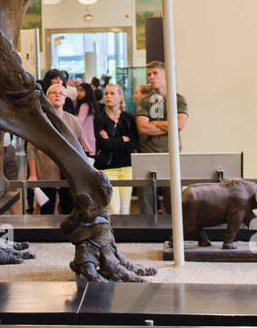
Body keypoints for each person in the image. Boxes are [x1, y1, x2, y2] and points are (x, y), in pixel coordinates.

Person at [135, 61, 187, 214]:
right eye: (149, 74)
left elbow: (179, 125)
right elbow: (143, 127)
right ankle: (147, 236)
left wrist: (155, 122)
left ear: (165, 75)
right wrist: (169, 126)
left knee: (174, 201)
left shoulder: (178, 99)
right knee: (146, 201)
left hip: (171, 154)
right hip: (148, 155)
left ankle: (174, 235)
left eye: (155, 73)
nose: (151, 77)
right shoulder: (144, 101)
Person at [27, 82, 83, 215]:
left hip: (69, 173)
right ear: (47, 98)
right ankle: (47, 235)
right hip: (45, 171)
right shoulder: (39, 121)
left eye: (61, 93)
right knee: (46, 209)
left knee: (69, 209)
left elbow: (79, 147)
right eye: (53, 93)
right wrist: (33, 174)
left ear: (65, 99)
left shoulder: (73, 121)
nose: (57, 96)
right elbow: (31, 149)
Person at [94, 83, 139, 214]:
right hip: (108, 167)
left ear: (120, 97)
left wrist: (111, 141)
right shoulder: (99, 118)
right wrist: (122, 140)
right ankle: (112, 235)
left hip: (126, 166)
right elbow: (102, 144)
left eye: (112, 93)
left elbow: (135, 143)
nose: (108, 96)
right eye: (106, 93)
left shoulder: (128, 118)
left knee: (125, 209)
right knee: (113, 208)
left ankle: (125, 235)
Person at [73, 82, 98, 158]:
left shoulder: (85, 106)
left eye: (82, 90)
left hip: (85, 141)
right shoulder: (90, 105)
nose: (79, 93)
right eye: (78, 90)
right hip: (89, 140)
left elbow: (79, 122)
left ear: (88, 92)